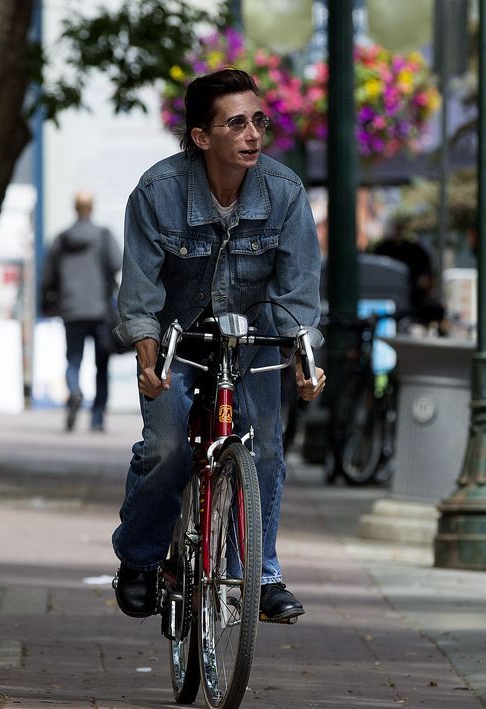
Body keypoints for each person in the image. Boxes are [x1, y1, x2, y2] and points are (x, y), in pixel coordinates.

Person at [111, 68, 326, 623]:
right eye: (236, 123)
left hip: (251, 338)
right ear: (201, 137)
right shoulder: (157, 192)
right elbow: (140, 294)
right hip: (178, 339)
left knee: (267, 449)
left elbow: (298, 296)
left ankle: (262, 576)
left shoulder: (285, 192)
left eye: (259, 120)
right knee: (167, 448)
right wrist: (148, 359)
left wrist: (305, 359)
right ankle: (140, 559)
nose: (253, 134)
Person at [40, 191, 122, 432]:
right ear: (91, 208)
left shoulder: (62, 238)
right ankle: (97, 418)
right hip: (99, 310)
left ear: (75, 208)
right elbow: (117, 263)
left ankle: (75, 390)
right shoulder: (103, 235)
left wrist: (49, 301)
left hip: (71, 309)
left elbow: (47, 275)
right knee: (101, 365)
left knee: (73, 359)